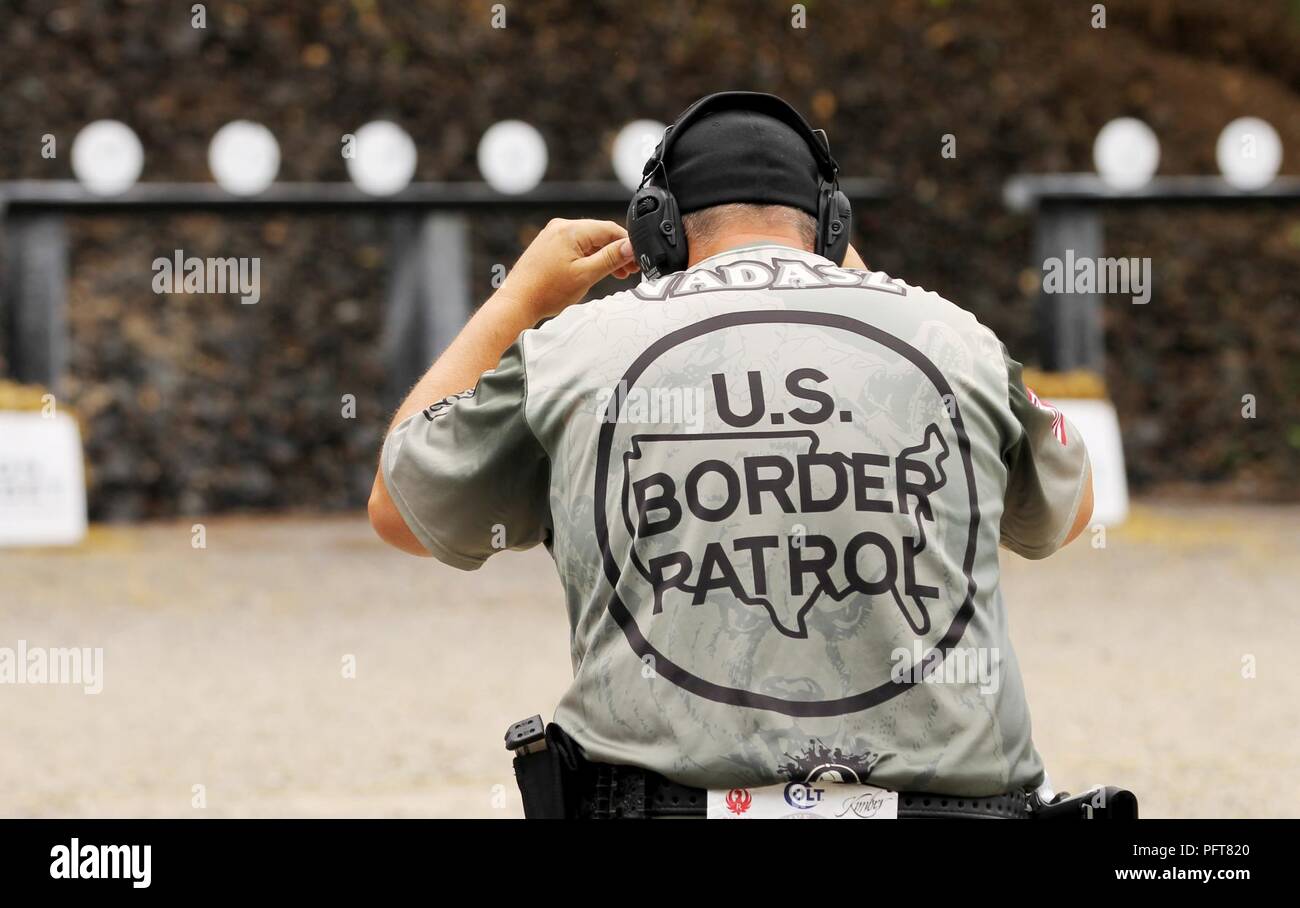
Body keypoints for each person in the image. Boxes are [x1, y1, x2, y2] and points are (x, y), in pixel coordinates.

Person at [367, 92, 1094, 819]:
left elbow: (399, 509)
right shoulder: (956, 342)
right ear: (833, 224)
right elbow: (1065, 514)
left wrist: (519, 300)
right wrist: (852, 283)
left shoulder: (568, 354)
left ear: (658, 231)